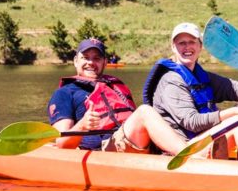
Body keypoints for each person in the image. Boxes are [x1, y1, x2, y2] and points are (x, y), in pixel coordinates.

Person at [143, 22, 238, 162]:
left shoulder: (202, 76)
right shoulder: (171, 81)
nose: (187, 47)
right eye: (181, 43)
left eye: (192, 42)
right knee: (237, 120)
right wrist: (235, 112)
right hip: (189, 150)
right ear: (173, 47)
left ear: (200, 46)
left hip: (210, 139)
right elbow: (192, 122)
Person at [48, 38, 187, 154]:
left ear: (105, 62)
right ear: (75, 61)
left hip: (133, 142)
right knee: (144, 112)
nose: (90, 62)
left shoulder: (116, 87)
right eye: (85, 58)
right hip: (104, 151)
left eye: (96, 58)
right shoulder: (65, 93)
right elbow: (61, 144)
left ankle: (192, 153)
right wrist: (82, 125)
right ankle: (188, 156)